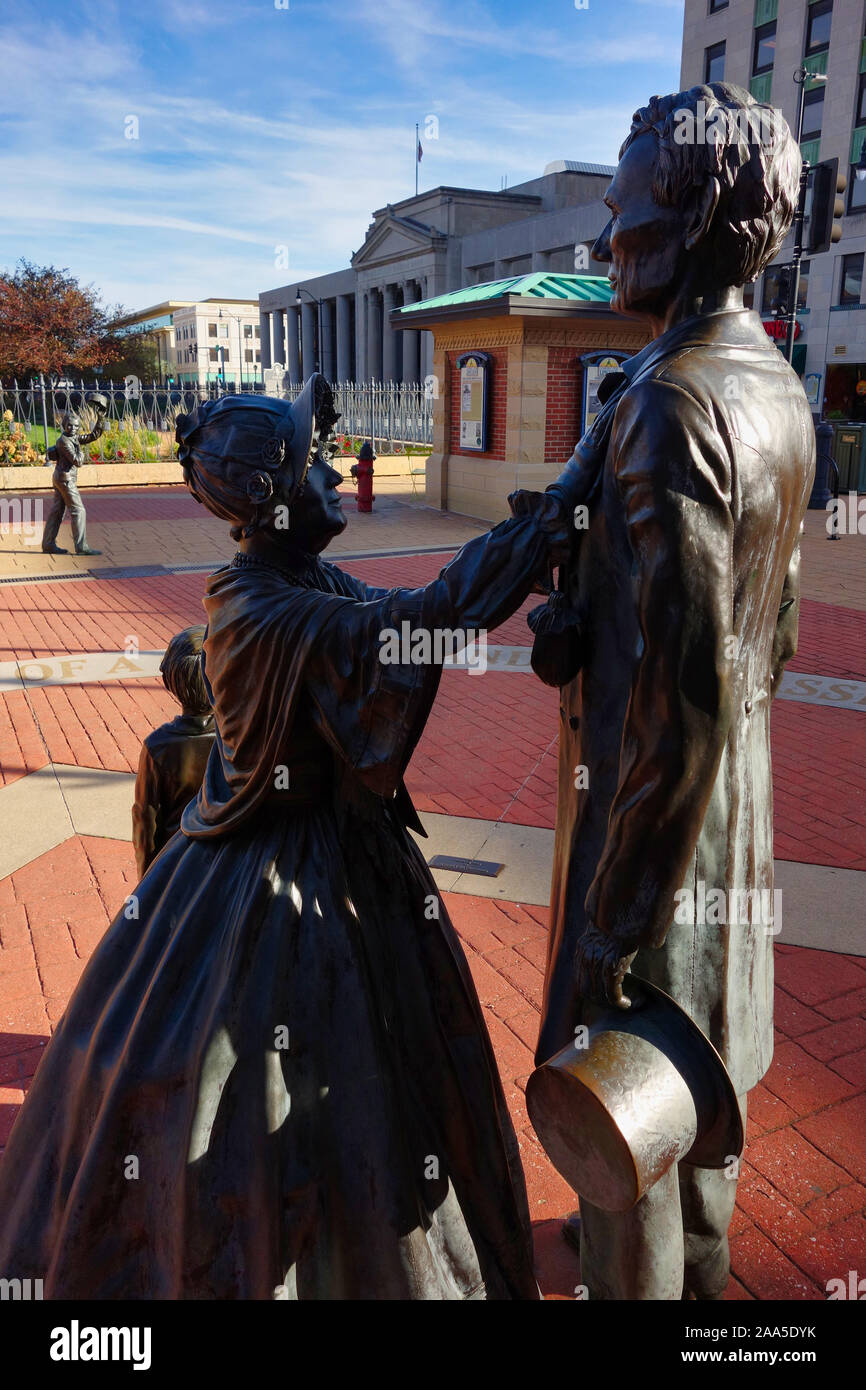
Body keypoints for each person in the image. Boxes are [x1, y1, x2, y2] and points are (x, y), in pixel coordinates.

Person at [0, 374, 572, 1300]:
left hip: (343, 850)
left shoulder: (300, 577)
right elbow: (411, 629)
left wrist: (520, 545)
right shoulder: (260, 607)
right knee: (273, 1102)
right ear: (273, 498)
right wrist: (531, 536)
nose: (340, 472)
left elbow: (416, 606)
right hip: (280, 873)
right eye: (317, 465)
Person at [532, 82, 815, 1300]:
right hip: (731, 811)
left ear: (692, 209)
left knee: (621, 1104)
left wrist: (616, 919)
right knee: (698, 1094)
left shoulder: (662, 404)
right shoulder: (774, 386)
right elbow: (776, 629)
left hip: (650, 824)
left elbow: (683, 690)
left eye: (622, 206)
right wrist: (585, 616)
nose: (603, 235)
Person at [131, 625, 215, 878]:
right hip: (229, 863)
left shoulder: (158, 747)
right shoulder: (240, 736)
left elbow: (145, 823)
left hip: (177, 865)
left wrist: (147, 882)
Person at [41, 401, 106, 556]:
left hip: (61, 478)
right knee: (79, 510)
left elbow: (92, 436)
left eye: (76, 426)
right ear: (64, 425)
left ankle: (48, 544)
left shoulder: (73, 437)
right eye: (70, 425)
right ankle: (81, 547)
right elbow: (78, 461)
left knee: (57, 512)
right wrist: (81, 452)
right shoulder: (64, 441)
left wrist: (101, 418)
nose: (74, 429)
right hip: (65, 480)